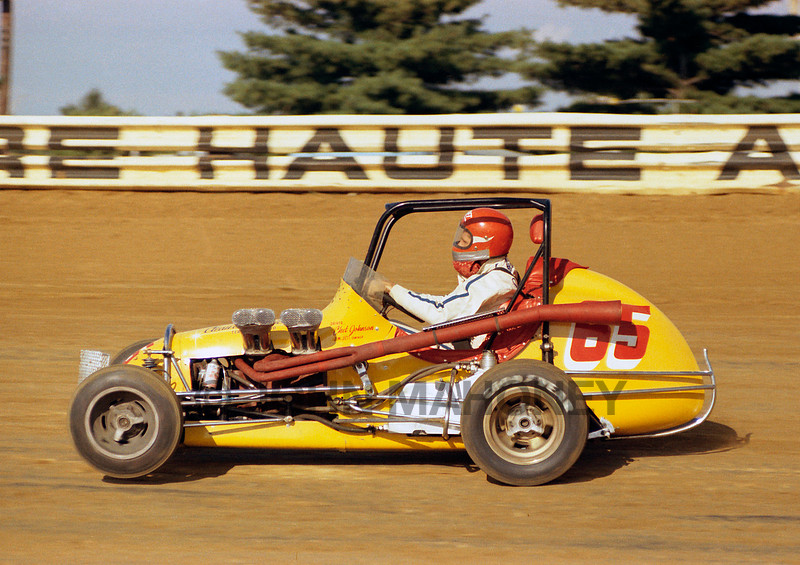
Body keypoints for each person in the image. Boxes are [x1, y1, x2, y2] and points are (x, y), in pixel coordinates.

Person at [385, 208, 519, 326]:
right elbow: (446, 304)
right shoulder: (501, 273)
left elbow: (441, 312)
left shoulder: (493, 281)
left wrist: (392, 289)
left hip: (470, 350)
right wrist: (393, 290)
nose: (459, 243)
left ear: (484, 246)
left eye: (465, 241)